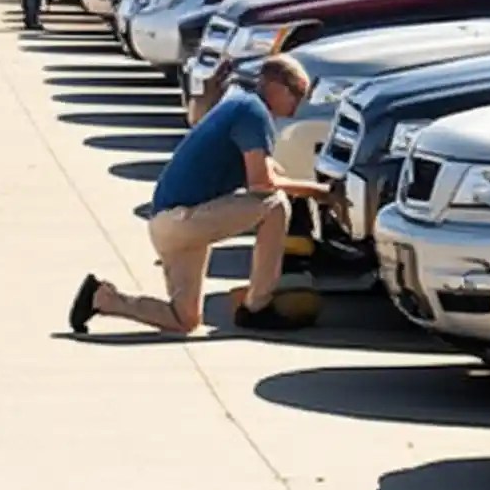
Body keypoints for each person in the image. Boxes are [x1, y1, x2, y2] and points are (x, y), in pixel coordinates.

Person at [68, 56, 333, 335]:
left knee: (184, 320)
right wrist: (320, 193)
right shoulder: (254, 113)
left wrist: (311, 187)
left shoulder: (240, 104)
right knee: (274, 205)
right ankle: (258, 306)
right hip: (183, 219)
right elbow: (261, 183)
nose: (297, 107)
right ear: (277, 87)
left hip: (168, 223)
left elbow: (270, 169)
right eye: (297, 95)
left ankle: (103, 298)